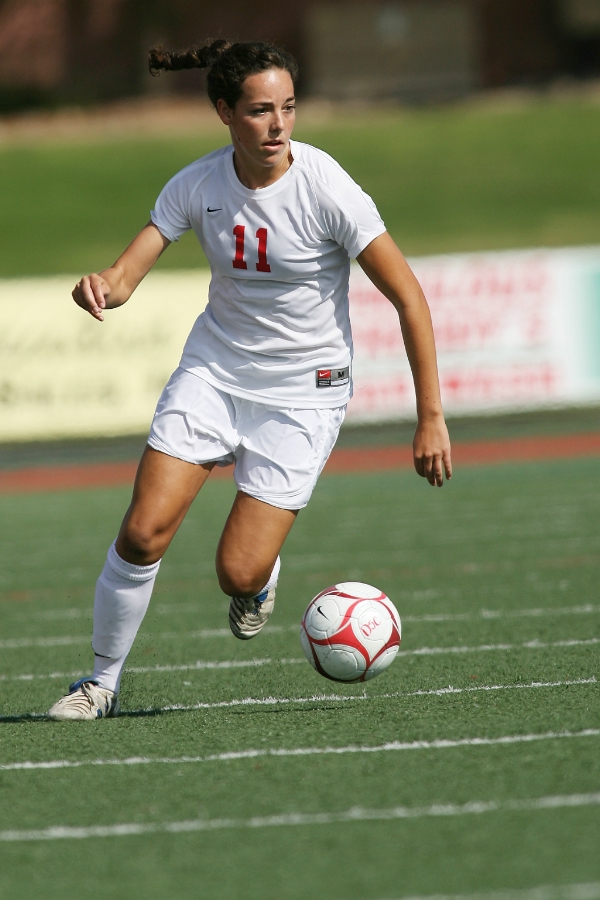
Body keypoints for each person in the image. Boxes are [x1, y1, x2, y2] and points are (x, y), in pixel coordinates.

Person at [48, 39, 452, 721]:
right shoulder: (197, 185)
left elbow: (409, 297)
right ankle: (99, 684)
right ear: (224, 113)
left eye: (288, 108)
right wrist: (100, 288)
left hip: (303, 392)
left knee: (237, 572)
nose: (278, 125)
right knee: (143, 531)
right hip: (214, 371)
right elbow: (122, 277)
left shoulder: (327, 187)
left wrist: (431, 417)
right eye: (261, 110)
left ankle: (257, 585)